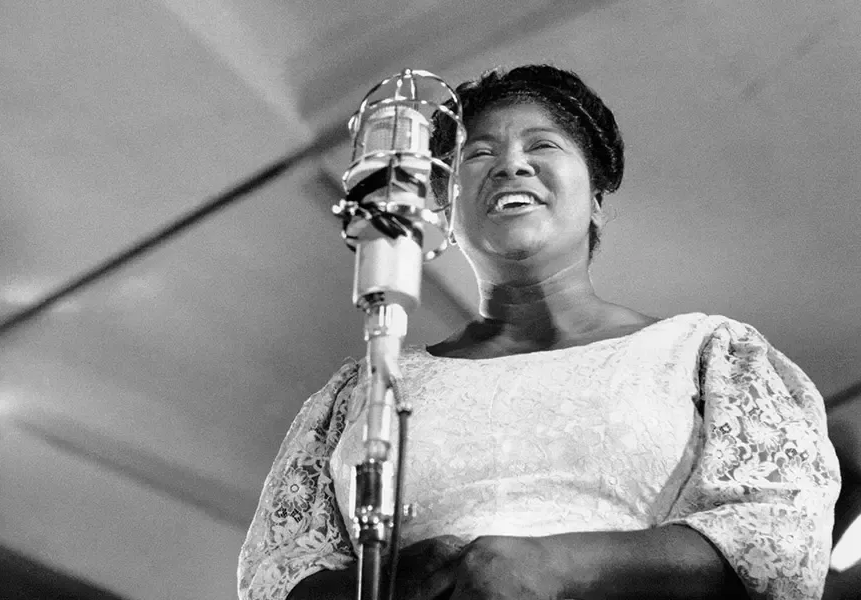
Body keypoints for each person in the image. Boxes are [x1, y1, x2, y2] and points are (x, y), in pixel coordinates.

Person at [236, 64, 841, 600]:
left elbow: (779, 539)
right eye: (478, 154)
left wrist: (557, 566)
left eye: (542, 144)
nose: (510, 164)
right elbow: (279, 573)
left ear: (597, 198)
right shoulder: (363, 393)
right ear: (446, 208)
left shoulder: (703, 356)